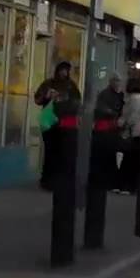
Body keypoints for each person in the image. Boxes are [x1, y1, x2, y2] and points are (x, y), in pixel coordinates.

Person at [34, 61, 82, 191]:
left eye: (66, 70)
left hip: (65, 124)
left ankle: (59, 180)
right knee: (50, 152)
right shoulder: (48, 83)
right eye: (62, 69)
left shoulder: (71, 86)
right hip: (50, 122)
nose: (64, 72)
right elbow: (37, 99)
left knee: (62, 153)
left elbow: (77, 102)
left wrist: (63, 101)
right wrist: (47, 96)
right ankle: (47, 180)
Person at [115, 78, 140, 194]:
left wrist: (123, 125)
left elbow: (130, 116)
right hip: (138, 131)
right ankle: (130, 185)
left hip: (131, 132)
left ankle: (126, 185)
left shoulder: (133, 99)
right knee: (133, 159)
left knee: (128, 159)